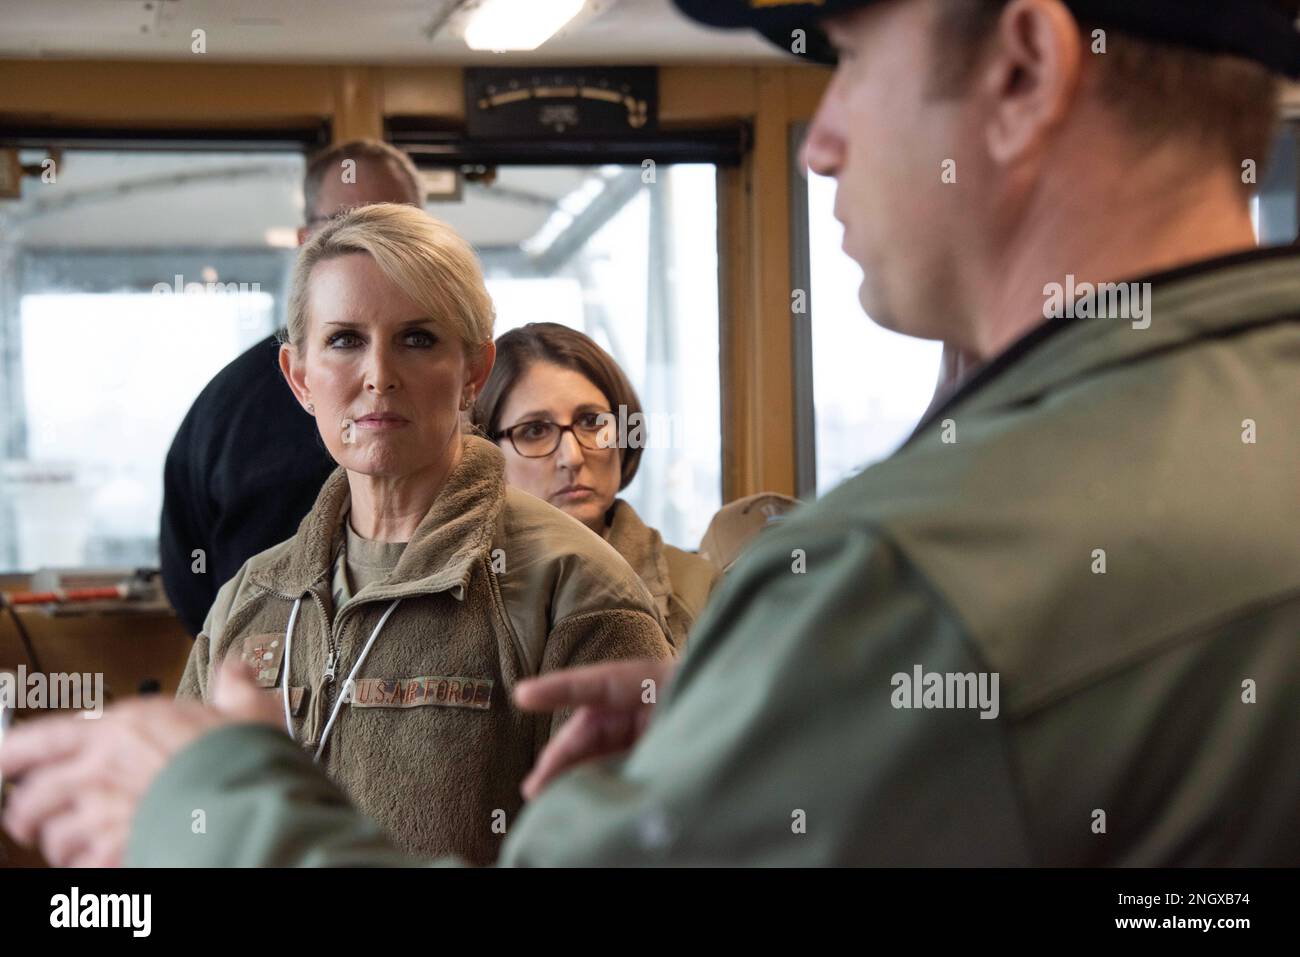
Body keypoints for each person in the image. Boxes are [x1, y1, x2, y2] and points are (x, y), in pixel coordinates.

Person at [5, 0, 1300, 867]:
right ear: (296, 372)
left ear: (1024, 66)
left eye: (853, 59)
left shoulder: (914, 585)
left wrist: (204, 809)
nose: (822, 143)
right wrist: (769, 729)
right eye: (339, 341)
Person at [171, 203, 671, 864]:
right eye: (345, 339)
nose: (379, 375)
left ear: (474, 371)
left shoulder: (576, 589)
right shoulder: (250, 599)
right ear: (299, 378)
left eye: (417, 338)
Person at [160, 139, 425, 637]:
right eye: (348, 225)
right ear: (297, 377)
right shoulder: (229, 408)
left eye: (395, 226)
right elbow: (193, 589)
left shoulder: (470, 384)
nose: (373, 246)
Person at [472, 323, 721, 650]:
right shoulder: (460, 589)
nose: (572, 457)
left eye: (592, 422)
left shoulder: (701, 591)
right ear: (488, 451)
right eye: (535, 430)